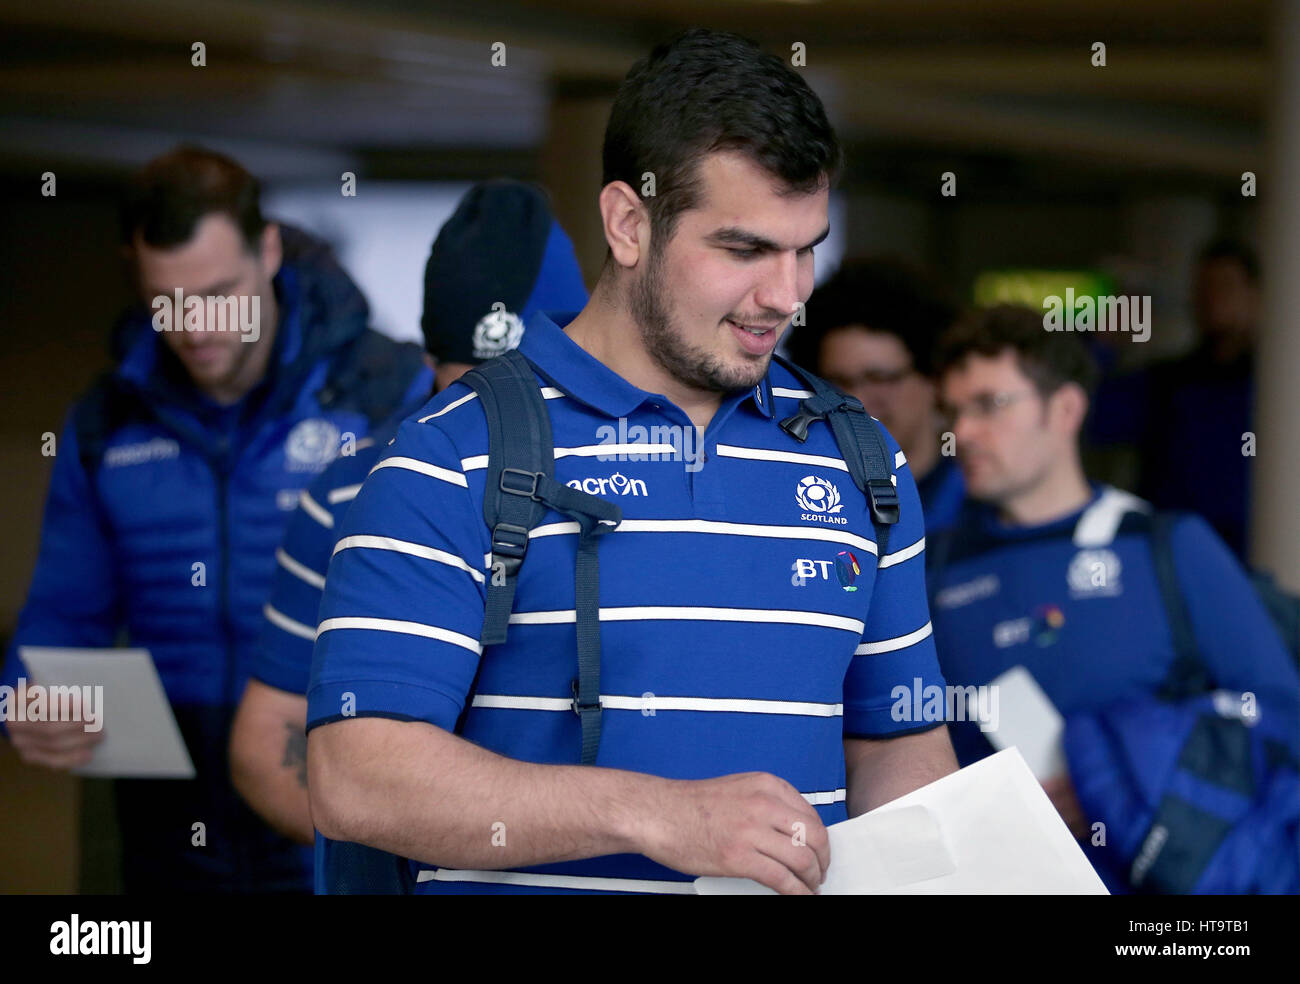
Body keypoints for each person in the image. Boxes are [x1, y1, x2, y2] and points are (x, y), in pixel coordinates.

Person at [304, 28, 957, 897]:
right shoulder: (451, 454)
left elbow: (901, 756)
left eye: (806, 249)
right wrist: (657, 815)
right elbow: (355, 775)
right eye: (745, 250)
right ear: (627, 223)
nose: (788, 296)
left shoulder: (859, 458)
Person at [0, 145, 432, 893]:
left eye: (217, 292)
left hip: (324, 783)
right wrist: (26, 695)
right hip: (164, 811)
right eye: (168, 299)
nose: (195, 324)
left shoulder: (385, 392)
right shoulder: (106, 422)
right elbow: (64, 613)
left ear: (268, 251)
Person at [228, 180, 589, 874]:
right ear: (427, 367)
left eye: (529, 390)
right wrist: (411, 837)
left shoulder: (644, 482)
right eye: (471, 391)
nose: (501, 427)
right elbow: (265, 743)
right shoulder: (349, 493)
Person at [927, 304, 1298, 893]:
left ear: (1066, 408)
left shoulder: (1167, 548)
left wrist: (1121, 776)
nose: (963, 432)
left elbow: (1283, 715)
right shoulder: (932, 567)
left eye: (990, 404)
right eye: (953, 410)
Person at [789, 257, 963, 532]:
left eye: (880, 379)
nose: (856, 400)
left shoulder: (982, 502)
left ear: (935, 379)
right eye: (837, 382)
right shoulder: (805, 500)